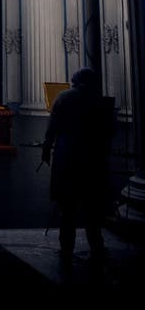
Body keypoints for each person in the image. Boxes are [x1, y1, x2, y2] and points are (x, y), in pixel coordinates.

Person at [41, 67, 114, 266]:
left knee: (67, 209)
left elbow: (53, 126)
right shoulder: (99, 100)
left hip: (68, 155)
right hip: (92, 159)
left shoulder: (64, 98)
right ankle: (97, 247)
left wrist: (47, 147)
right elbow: (107, 131)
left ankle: (66, 249)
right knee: (92, 209)